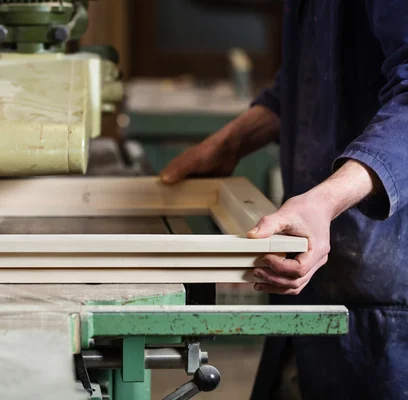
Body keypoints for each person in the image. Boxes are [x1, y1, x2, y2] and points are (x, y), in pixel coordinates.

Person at [160, 2, 408, 399]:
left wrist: (325, 201)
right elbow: (310, 79)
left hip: (387, 296)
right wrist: (231, 141)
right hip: (313, 270)